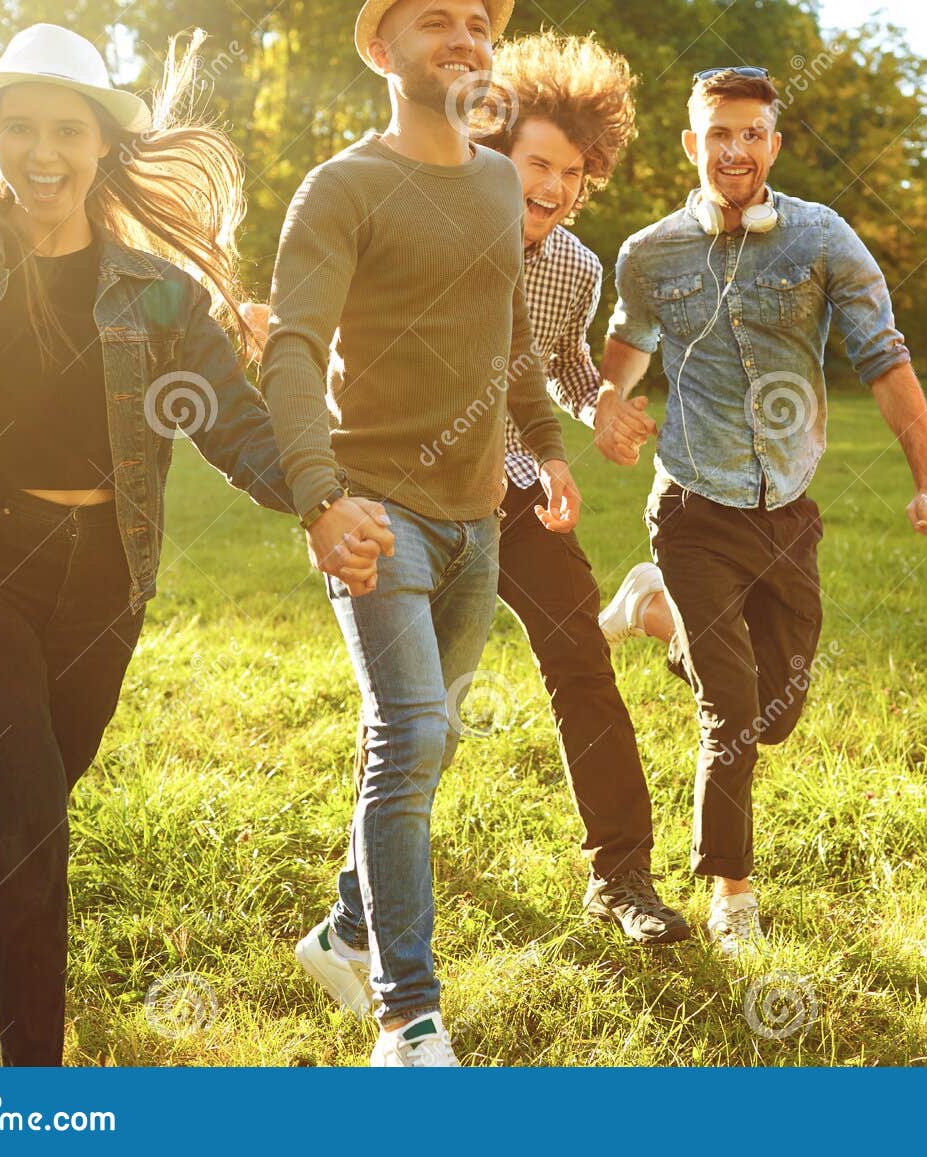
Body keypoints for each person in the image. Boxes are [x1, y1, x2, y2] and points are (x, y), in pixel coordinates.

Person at [0, 3, 308, 1064]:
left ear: (102, 146)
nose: (41, 153)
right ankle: (31, 1090)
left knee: (39, 791)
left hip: (106, 582)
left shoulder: (161, 297)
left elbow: (240, 430)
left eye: (66, 130)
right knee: (37, 821)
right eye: (18, 128)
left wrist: (327, 497)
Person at [260, 0, 581, 1066]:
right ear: (379, 47)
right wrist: (318, 497)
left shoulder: (495, 179)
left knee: (424, 743)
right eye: (434, 17)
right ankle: (409, 1017)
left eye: (479, 22)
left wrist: (546, 442)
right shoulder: (341, 187)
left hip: (475, 512)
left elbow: (515, 334)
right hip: (375, 508)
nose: (463, 37)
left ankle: (345, 928)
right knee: (408, 734)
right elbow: (293, 350)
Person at [594, 66, 927, 954]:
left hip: (788, 509)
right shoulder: (651, 253)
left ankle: (648, 608)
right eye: (719, 133)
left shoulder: (821, 238)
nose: (736, 150)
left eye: (753, 133)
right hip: (692, 502)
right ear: (692, 145)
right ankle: (733, 894)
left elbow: (883, 354)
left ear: (775, 143)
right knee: (730, 706)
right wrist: (605, 405)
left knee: (776, 709)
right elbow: (626, 345)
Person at [466, 31, 694, 945]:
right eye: (538, 164)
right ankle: (376, 872)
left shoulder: (575, 265)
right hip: (406, 486)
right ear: (492, 148)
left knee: (579, 661)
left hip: (521, 484)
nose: (556, 190)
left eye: (574, 174)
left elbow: (559, 360)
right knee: (413, 700)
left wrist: (600, 401)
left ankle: (622, 874)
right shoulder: (420, 223)